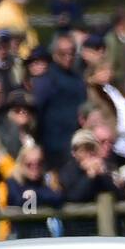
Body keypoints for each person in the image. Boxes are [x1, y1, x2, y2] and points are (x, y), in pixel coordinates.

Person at [32, 34, 86, 169]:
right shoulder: (46, 79)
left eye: (72, 52)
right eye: (63, 53)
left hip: (75, 140)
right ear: (55, 54)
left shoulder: (78, 79)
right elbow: (37, 109)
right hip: (52, 144)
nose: (68, 57)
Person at [2, 147, 65, 238]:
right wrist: (39, 198)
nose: (34, 167)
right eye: (29, 164)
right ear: (21, 163)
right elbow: (18, 200)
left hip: (42, 235)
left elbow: (58, 197)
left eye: (39, 163)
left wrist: (35, 194)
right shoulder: (12, 181)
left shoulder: (46, 180)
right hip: (18, 236)